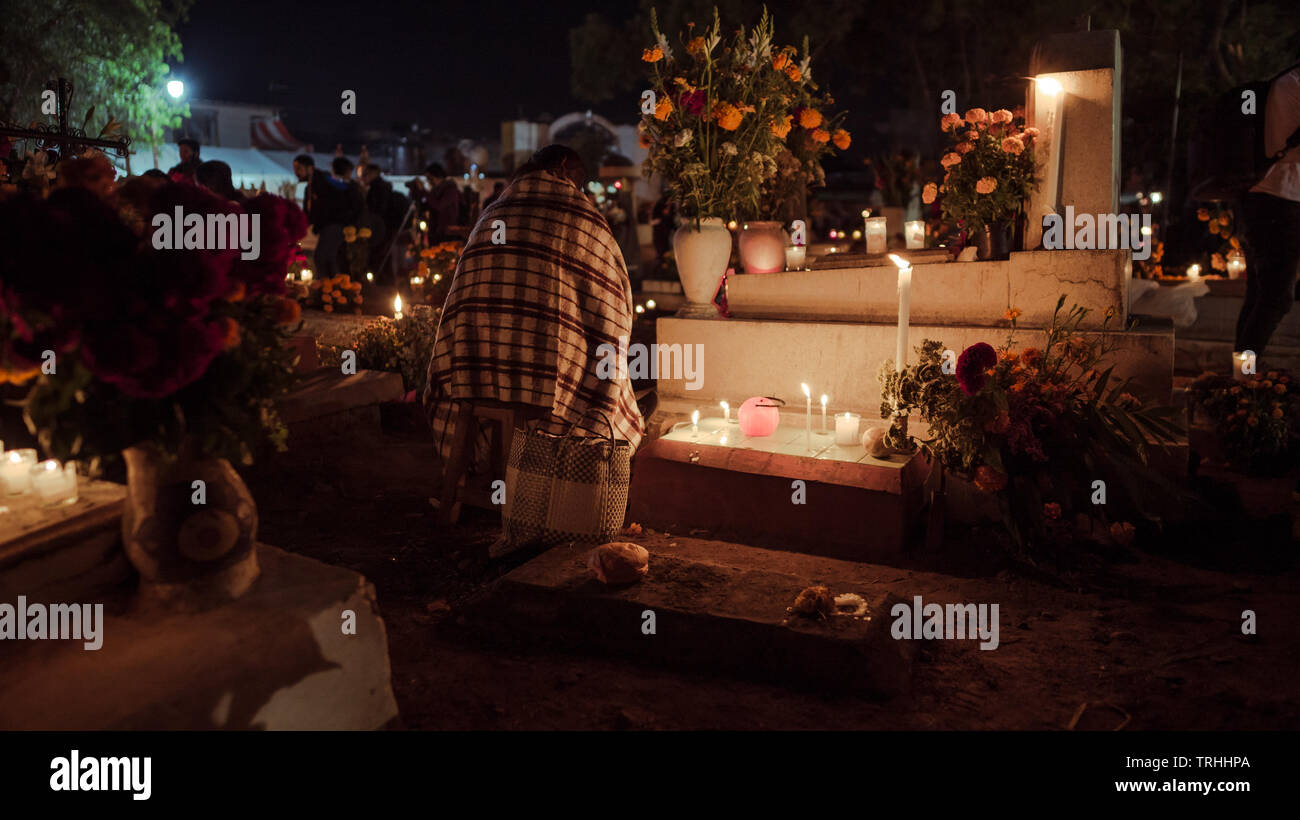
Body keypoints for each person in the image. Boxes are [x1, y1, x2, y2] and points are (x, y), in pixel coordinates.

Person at [423, 145, 647, 540]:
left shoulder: (492, 215)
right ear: (563, 168)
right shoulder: (581, 217)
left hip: (473, 372)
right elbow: (614, 307)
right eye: (579, 179)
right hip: (550, 382)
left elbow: (456, 306)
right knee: (595, 373)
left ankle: (468, 487)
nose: (580, 188)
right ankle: (541, 496)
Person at [1235, 63, 1300, 367]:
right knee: (1276, 297)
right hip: (1279, 200)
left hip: (1258, 197)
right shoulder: (1295, 84)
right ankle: (1242, 381)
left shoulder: (1283, 80)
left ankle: (1240, 380)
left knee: (1260, 293)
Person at [293, 154, 347, 276]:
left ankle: (331, 287)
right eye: (295, 169)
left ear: (310, 168)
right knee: (324, 258)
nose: (296, 172)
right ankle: (329, 287)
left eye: (299, 168)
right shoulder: (310, 187)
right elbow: (308, 212)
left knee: (323, 257)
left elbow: (341, 197)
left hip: (334, 224)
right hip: (325, 227)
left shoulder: (325, 181)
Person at [423, 162, 461, 240]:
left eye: (431, 178)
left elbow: (439, 206)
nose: (429, 182)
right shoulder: (435, 191)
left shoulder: (450, 189)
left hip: (447, 232)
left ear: (438, 176)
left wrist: (424, 191)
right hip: (436, 231)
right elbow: (428, 206)